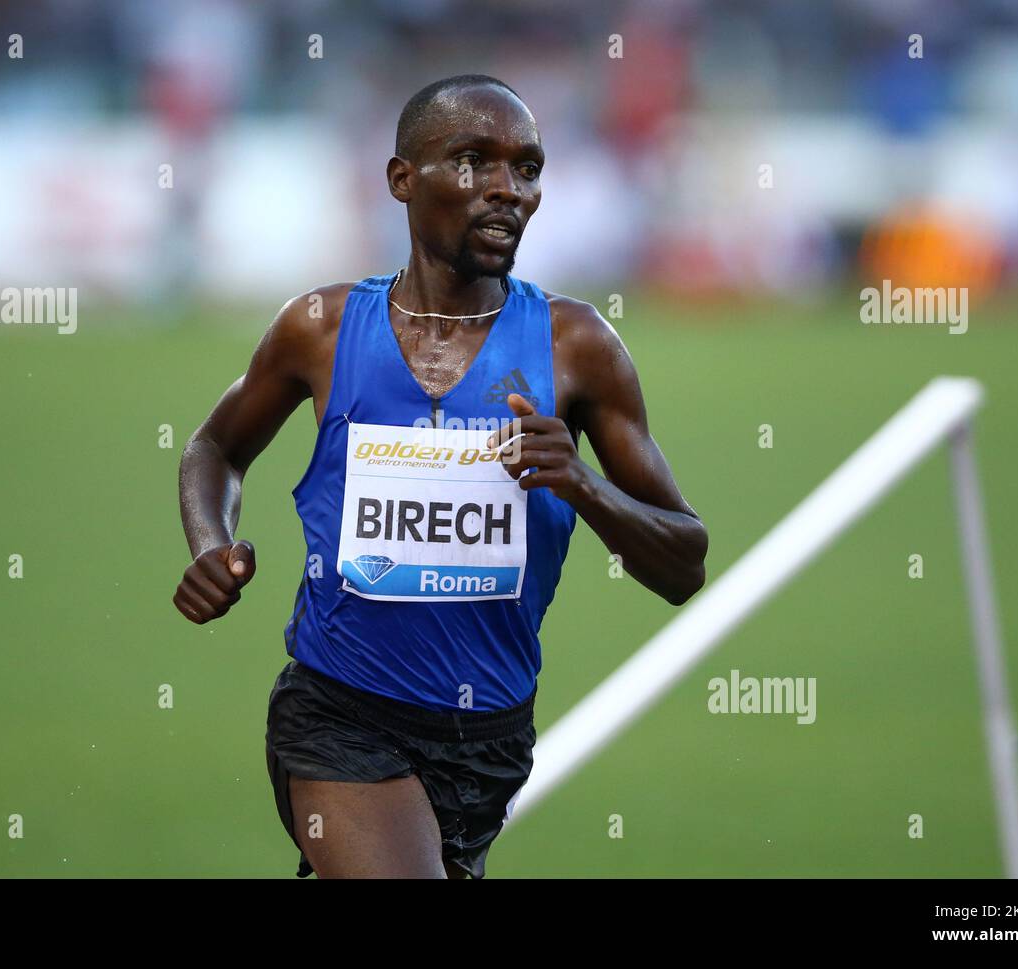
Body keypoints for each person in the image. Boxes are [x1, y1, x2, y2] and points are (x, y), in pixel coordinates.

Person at [173, 74, 708, 878]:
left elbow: (684, 563)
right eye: (470, 161)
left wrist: (584, 486)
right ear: (401, 180)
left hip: (489, 740)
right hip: (338, 714)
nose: (506, 190)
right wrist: (213, 543)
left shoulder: (576, 346)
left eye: (526, 168)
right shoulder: (320, 329)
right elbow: (214, 449)